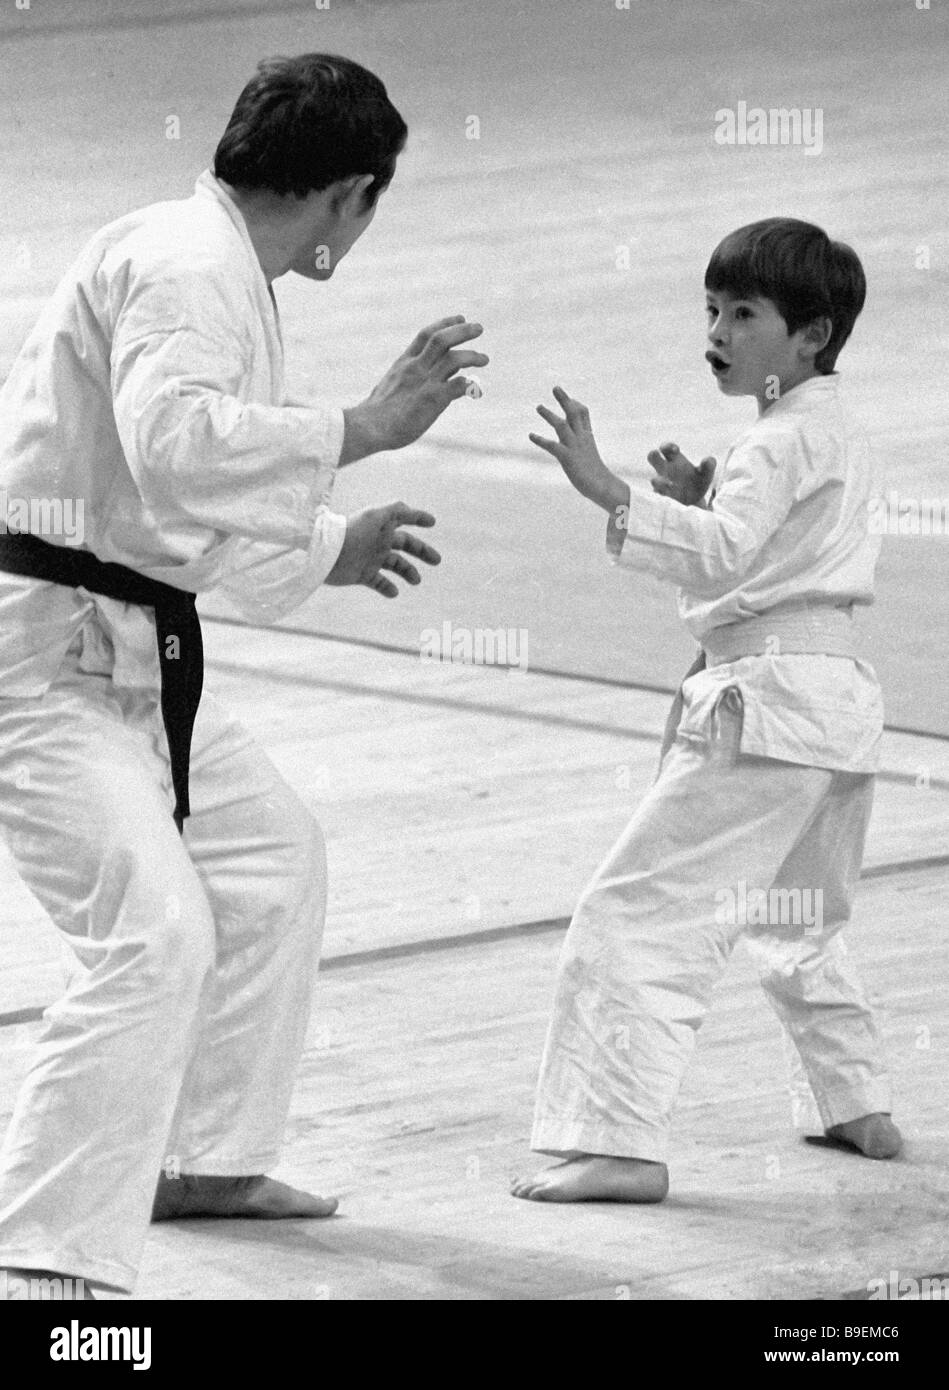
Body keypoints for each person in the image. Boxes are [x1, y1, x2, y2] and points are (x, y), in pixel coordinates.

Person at [0, 52, 487, 1297]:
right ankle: (46, 1257)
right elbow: (175, 451)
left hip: (121, 635)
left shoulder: (214, 262)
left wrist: (327, 547)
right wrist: (361, 430)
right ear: (350, 196)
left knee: (270, 861)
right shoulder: (188, 264)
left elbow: (167, 512)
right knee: (152, 937)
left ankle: (209, 1160)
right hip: (47, 654)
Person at [514, 217, 900, 1204]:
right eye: (711, 310)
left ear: (809, 335)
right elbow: (773, 551)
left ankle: (615, 1140)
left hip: (765, 709)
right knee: (795, 913)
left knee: (635, 910)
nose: (717, 331)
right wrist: (704, 492)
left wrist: (607, 488)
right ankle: (854, 1098)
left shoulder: (776, 439)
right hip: (834, 707)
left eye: (742, 313)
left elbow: (727, 556)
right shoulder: (835, 429)